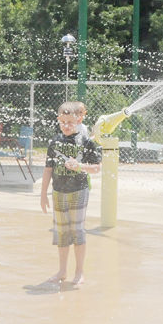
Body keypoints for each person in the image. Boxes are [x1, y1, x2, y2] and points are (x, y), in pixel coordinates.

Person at [39, 101, 102, 285]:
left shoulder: (87, 142)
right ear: (58, 120)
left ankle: (79, 272)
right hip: (58, 192)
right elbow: (48, 169)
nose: (66, 126)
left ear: (79, 119)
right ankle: (62, 271)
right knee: (62, 233)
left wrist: (80, 166)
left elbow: (97, 168)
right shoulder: (55, 142)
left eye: (70, 122)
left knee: (77, 231)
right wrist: (43, 194)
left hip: (78, 191)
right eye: (62, 122)